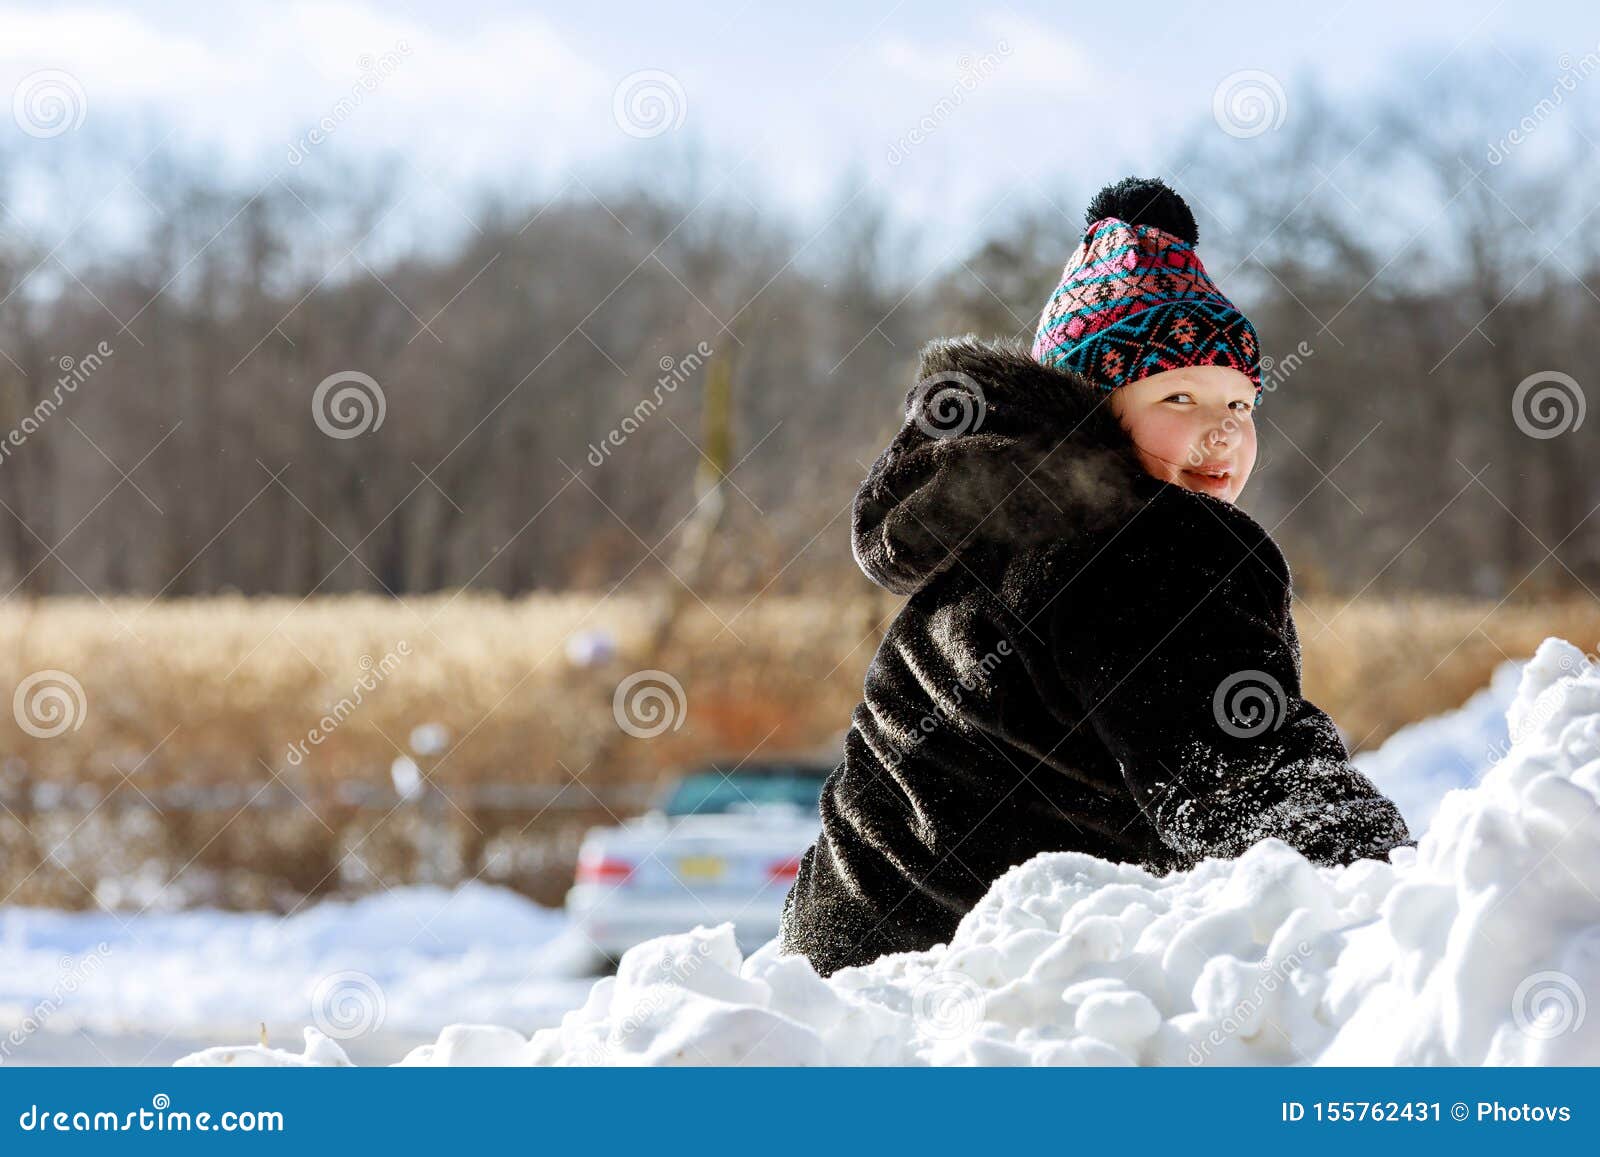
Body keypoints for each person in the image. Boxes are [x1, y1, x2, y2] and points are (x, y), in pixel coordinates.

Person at [778, 176, 1413, 979]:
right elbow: (1240, 771)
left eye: (1241, 404)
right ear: (1095, 409)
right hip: (984, 1006)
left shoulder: (997, 530)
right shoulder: (1148, 542)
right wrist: (1401, 892)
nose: (1221, 430)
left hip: (833, 964)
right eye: (1178, 395)